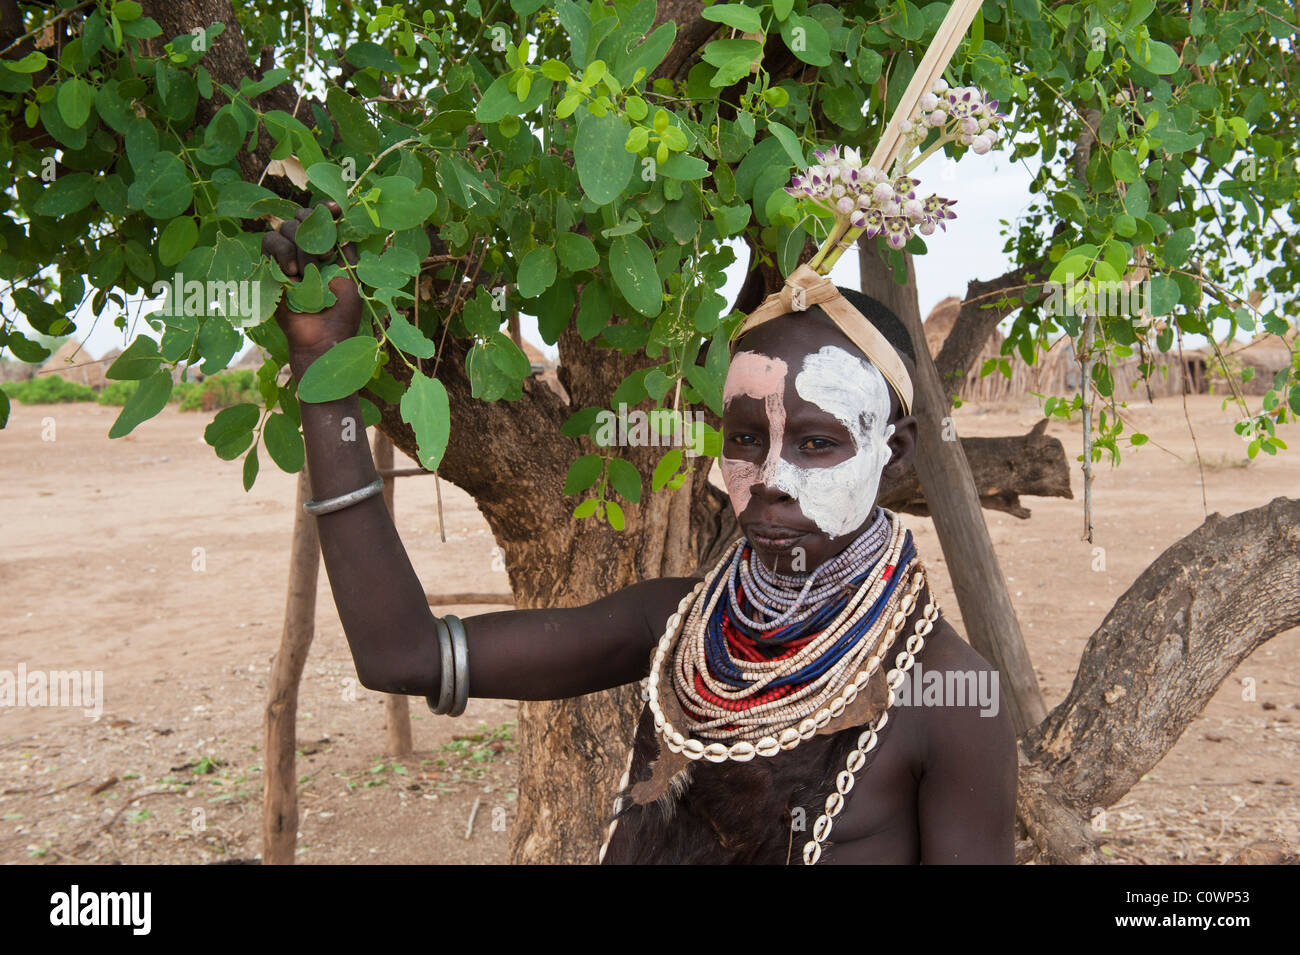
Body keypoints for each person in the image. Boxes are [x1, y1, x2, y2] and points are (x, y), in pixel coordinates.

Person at [262, 211, 1017, 864]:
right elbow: (405, 655)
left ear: (898, 449)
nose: (772, 475)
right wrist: (322, 364)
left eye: (817, 444)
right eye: (747, 438)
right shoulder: (677, 629)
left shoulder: (951, 701)